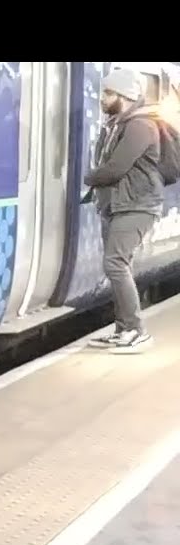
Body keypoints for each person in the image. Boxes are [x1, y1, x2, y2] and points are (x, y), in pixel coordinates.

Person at [84, 68, 165, 353]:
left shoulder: (140, 126)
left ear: (125, 96)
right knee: (118, 265)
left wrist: (89, 178)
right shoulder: (117, 124)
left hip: (138, 204)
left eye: (108, 93)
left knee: (115, 263)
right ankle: (123, 330)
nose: (102, 98)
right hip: (119, 205)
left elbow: (116, 168)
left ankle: (136, 331)